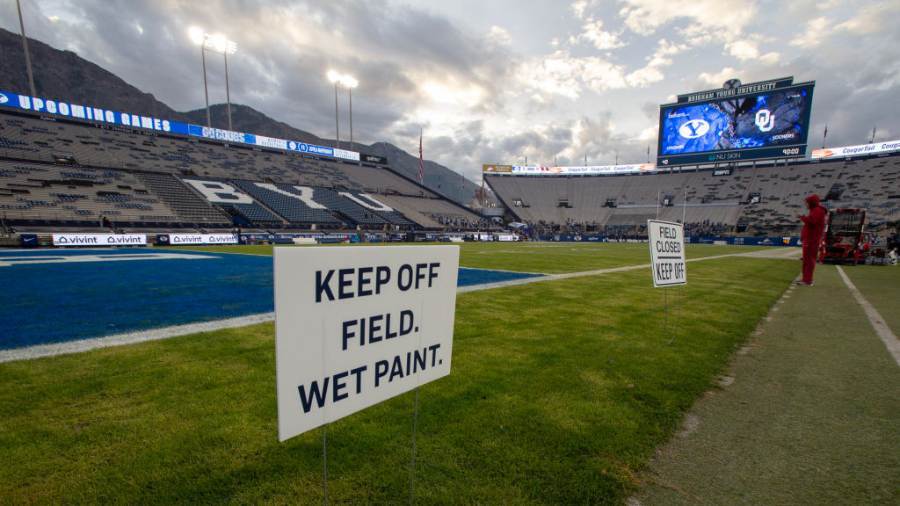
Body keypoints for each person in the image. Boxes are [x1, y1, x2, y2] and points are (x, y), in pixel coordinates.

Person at [798, 194, 827, 285]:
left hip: (811, 240)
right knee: (807, 261)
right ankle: (806, 279)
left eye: (807, 203)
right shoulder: (815, 210)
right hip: (810, 239)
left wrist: (802, 217)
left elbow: (812, 222)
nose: (806, 205)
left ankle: (807, 280)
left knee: (809, 261)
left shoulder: (817, 211)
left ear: (811, 202)